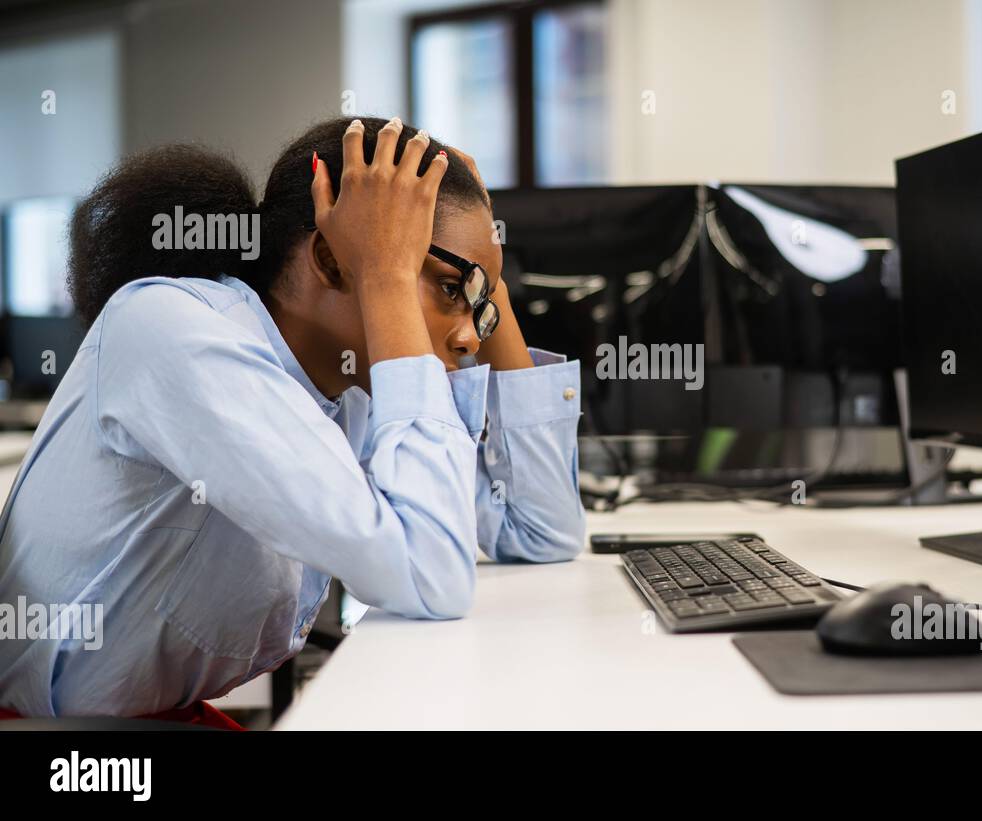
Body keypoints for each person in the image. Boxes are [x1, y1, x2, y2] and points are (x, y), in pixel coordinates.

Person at [0, 117, 585, 724]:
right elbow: (431, 575)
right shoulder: (171, 330)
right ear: (332, 260)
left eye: (480, 304)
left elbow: (540, 529)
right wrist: (385, 275)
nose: (470, 337)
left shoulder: (347, 387)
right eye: (446, 289)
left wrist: (482, 278)